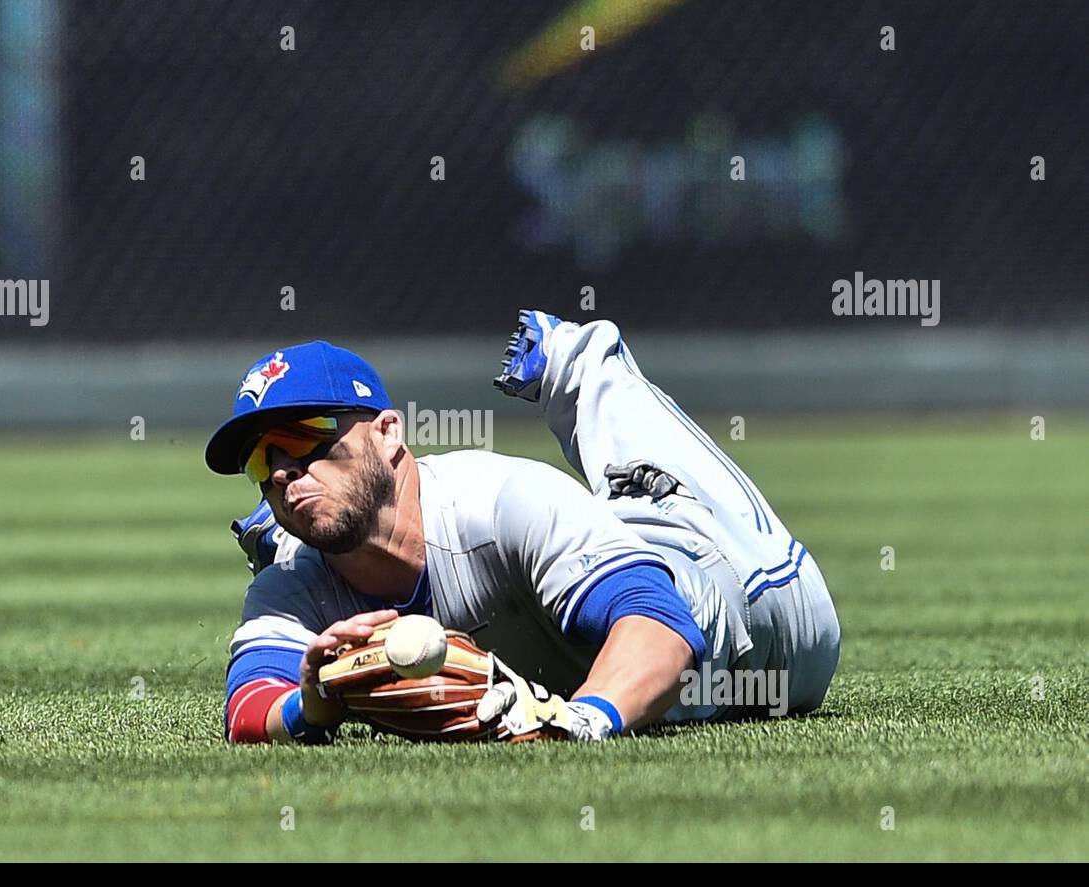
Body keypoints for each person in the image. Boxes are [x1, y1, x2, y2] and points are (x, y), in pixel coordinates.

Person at [209, 311, 840, 743]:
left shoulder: (498, 501)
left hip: (753, 609)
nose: (285, 472)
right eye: (263, 459)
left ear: (388, 433)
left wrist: (582, 722)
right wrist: (309, 703)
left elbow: (663, 625)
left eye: (306, 439)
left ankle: (579, 362)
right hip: (614, 614)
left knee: (650, 490)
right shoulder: (294, 580)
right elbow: (247, 706)